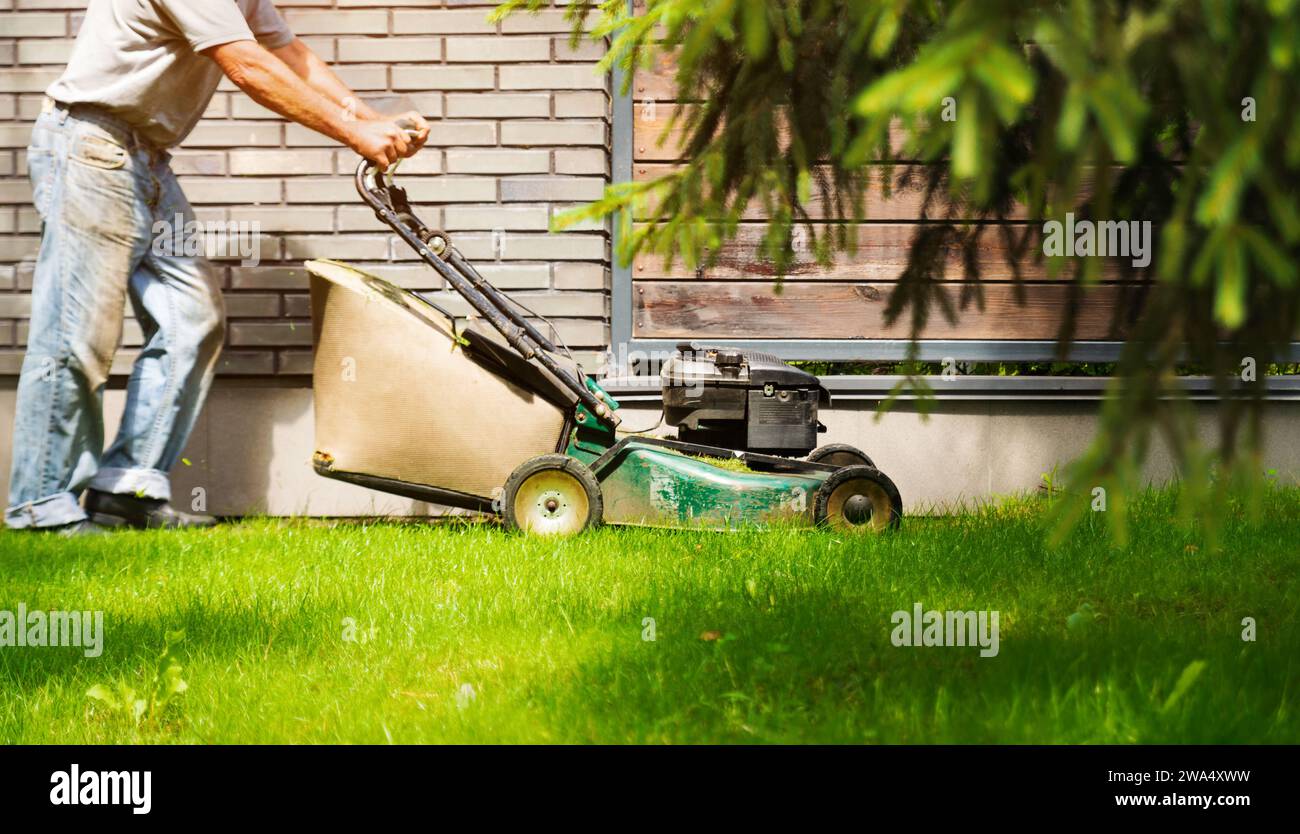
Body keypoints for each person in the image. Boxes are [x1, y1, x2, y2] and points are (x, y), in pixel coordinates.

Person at [6, 0, 429, 535]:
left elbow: (288, 54)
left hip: (149, 158)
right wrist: (355, 135)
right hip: (91, 147)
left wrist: (373, 120)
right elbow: (247, 65)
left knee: (193, 320)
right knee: (76, 335)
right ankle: (40, 507)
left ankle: (126, 490)